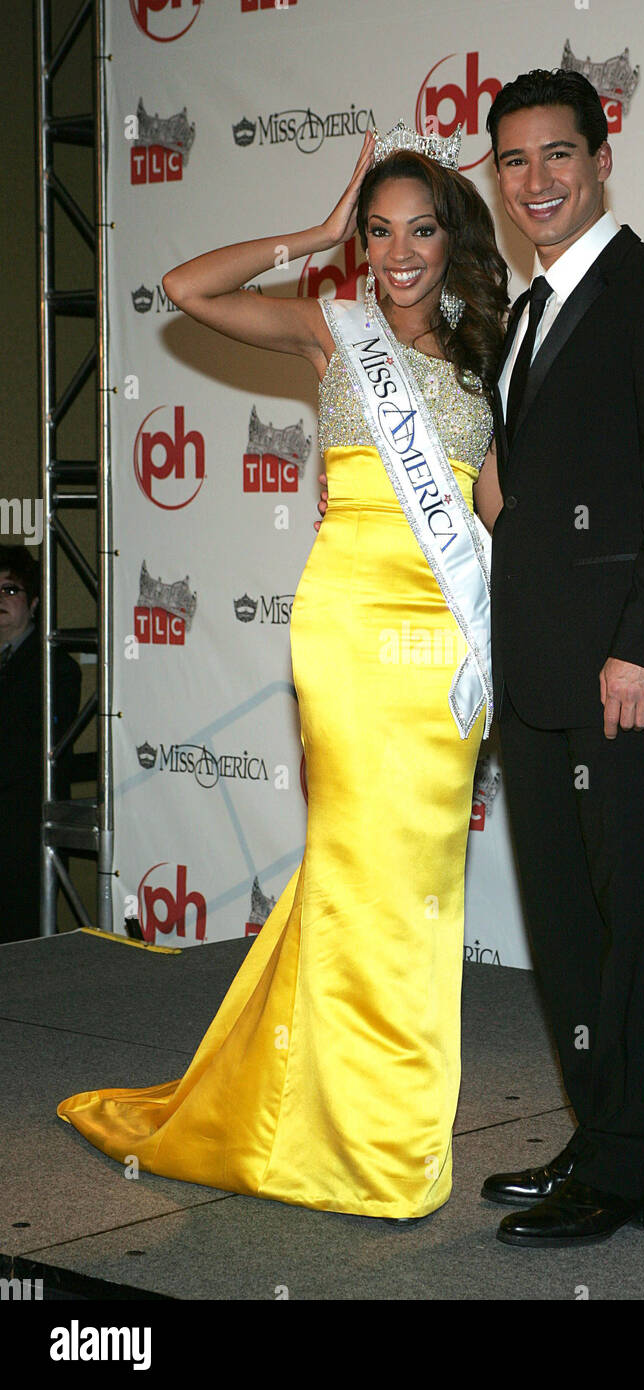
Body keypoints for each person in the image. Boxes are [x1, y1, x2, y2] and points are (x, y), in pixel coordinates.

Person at [56, 124, 509, 1220]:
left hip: (442, 643)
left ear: (452, 240)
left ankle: (342, 1105)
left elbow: (499, 514)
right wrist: (310, 234)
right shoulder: (328, 328)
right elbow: (184, 286)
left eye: (420, 229)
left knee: (413, 881)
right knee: (360, 859)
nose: (397, 252)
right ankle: (364, 1137)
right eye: (377, 230)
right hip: (350, 633)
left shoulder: (486, 361)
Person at [477, 70, 644, 1247]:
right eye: (514, 162)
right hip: (532, 682)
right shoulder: (520, 319)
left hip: (620, 678)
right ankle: (595, 1133)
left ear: (599, 157)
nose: (535, 181)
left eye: (556, 156)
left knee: (632, 922)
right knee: (566, 930)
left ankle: (629, 1172)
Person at [0, 545, 81, 943]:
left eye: (10, 590)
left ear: (33, 602)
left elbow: (29, 751)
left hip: (22, 842)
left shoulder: (57, 670)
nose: (0, 600)